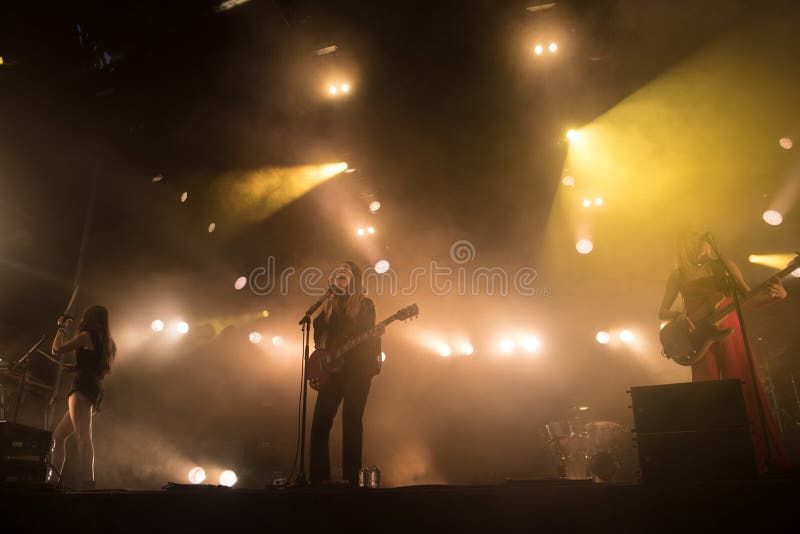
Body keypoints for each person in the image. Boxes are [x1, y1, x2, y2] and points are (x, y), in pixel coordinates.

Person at [658, 229, 789, 474]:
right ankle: (714, 458)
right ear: (683, 245)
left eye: (702, 242)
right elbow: (662, 312)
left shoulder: (725, 266)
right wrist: (679, 316)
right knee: (706, 393)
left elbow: (748, 299)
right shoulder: (678, 275)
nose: (699, 247)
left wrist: (777, 297)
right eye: (692, 242)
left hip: (730, 331)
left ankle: (757, 455)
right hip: (698, 337)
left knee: (742, 385)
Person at [309, 261, 383, 485]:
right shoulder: (326, 310)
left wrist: (372, 337)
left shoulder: (365, 305)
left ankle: (352, 480)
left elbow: (365, 337)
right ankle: (318, 480)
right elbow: (320, 344)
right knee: (320, 424)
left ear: (353, 280)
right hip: (333, 373)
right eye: (337, 269)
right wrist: (319, 367)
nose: (341, 270)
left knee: (351, 422)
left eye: (346, 270)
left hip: (358, 371)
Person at [49, 305, 116, 490]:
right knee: (58, 436)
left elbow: (56, 349)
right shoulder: (109, 342)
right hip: (94, 388)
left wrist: (61, 328)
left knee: (83, 436)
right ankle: (53, 481)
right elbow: (97, 367)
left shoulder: (87, 335)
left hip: (81, 388)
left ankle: (88, 482)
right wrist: (75, 367)